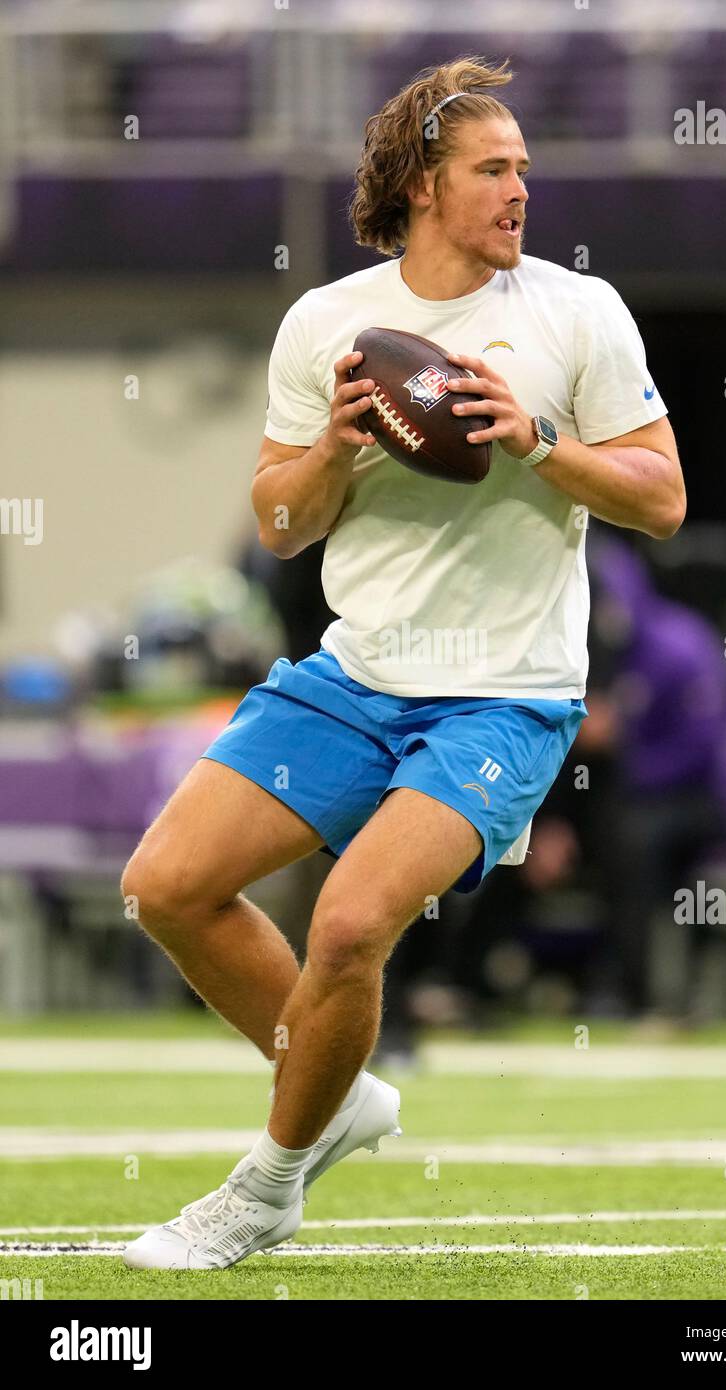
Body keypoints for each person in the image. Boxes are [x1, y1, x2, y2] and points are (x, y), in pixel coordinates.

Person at [120, 55, 685, 1270]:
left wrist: (536, 444)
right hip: (354, 674)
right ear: (424, 184)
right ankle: (340, 1090)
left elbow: (662, 499)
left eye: (524, 169)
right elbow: (278, 522)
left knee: (351, 923)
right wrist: (328, 451)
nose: (519, 190)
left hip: (505, 690)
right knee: (166, 885)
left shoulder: (574, 313)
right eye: (493, 169)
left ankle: (266, 1184)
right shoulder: (325, 323)